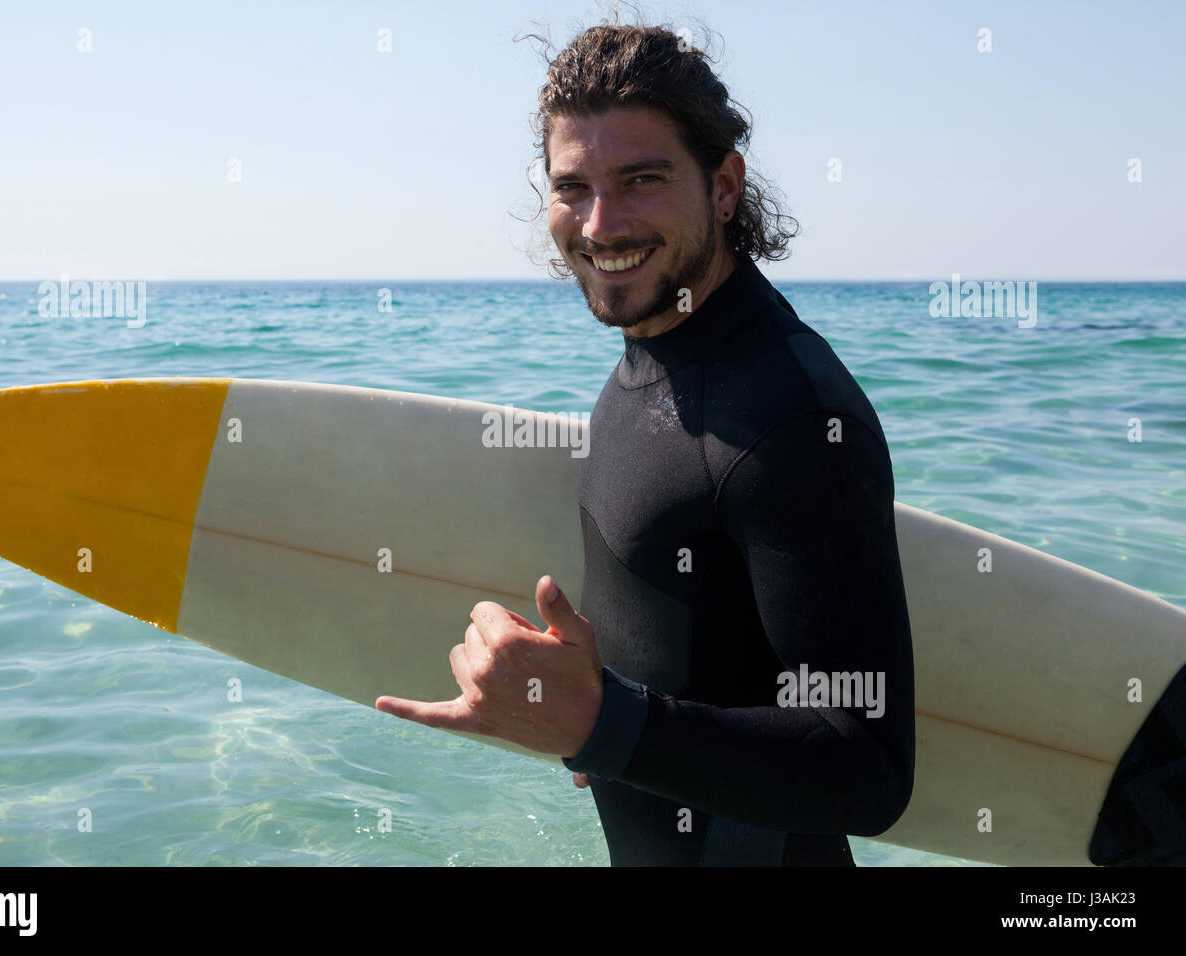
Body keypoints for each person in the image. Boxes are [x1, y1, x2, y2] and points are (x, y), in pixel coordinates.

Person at [376, 20, 915, 866]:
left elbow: (869, 768)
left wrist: (603, 724)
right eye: (573, 187)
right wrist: (595, 716)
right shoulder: (658, 363)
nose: (601, 223)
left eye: (642, 180)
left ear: (725, 187)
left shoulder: (790, 421)